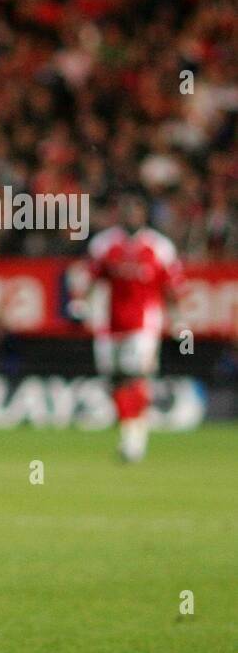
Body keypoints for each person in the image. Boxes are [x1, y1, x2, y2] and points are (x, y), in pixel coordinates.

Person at [76, 196, 183, 462]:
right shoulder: (104, 244)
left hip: (143, 325)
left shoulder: (159, 247)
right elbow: (91, 277)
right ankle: (129, 430)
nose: (131, 214)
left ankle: (135, 438)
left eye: (136, 210)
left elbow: (171, 287)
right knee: (114, 380)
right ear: (120, 212)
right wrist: (82, 304)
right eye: (127, 209)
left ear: (144, 214)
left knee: (135, 377)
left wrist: (178, 320)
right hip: (109, 324)